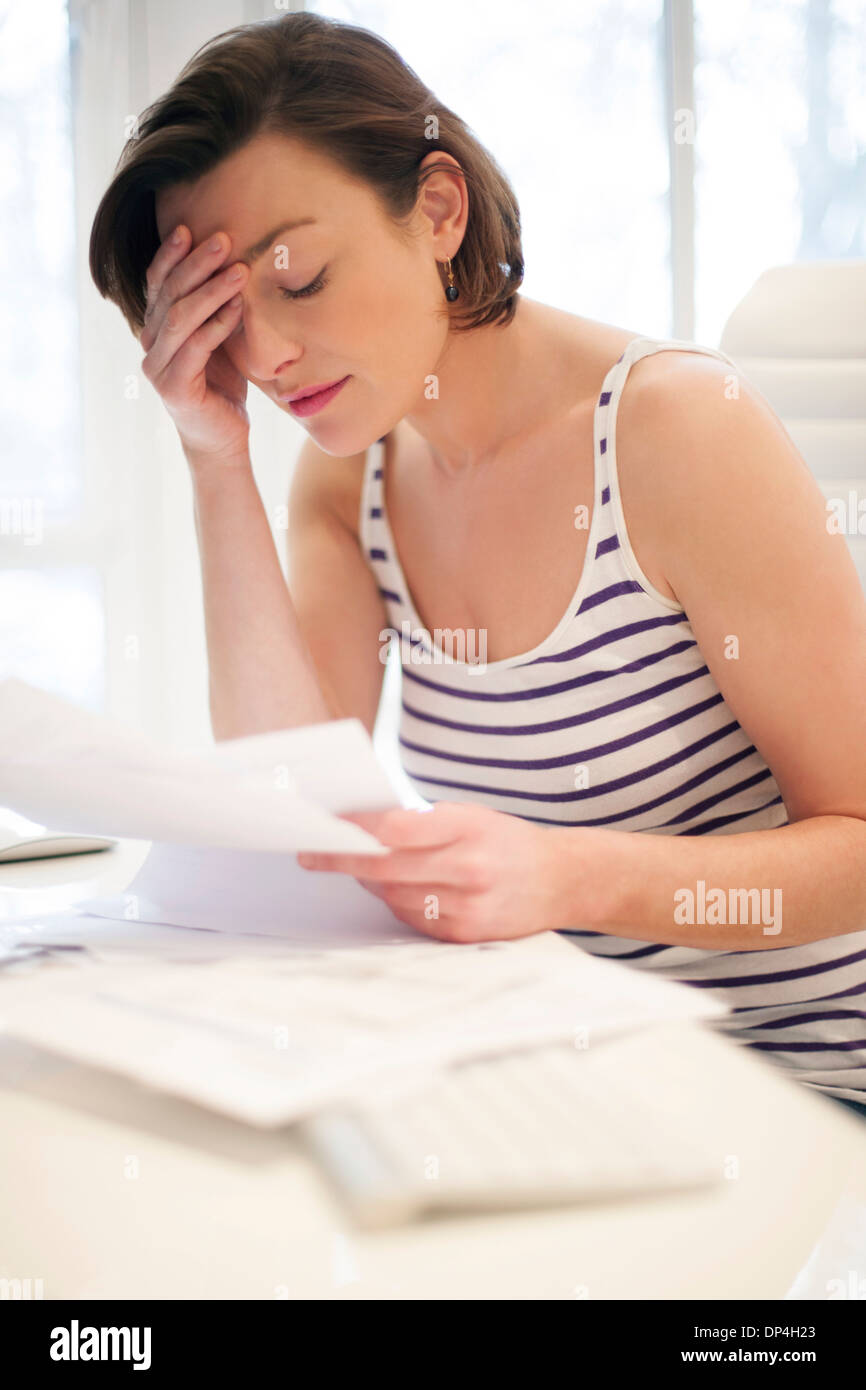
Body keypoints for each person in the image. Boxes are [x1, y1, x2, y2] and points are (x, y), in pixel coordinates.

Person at [89, 12, 866, 1116]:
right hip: (568, 1075)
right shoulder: (348, 471)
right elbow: (292, 809)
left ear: (438, 209)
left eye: (297, 277)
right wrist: (216, 461)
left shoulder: (677, 433)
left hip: (802, 1090)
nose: (263, 357)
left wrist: (563, 873)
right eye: (222, 315)